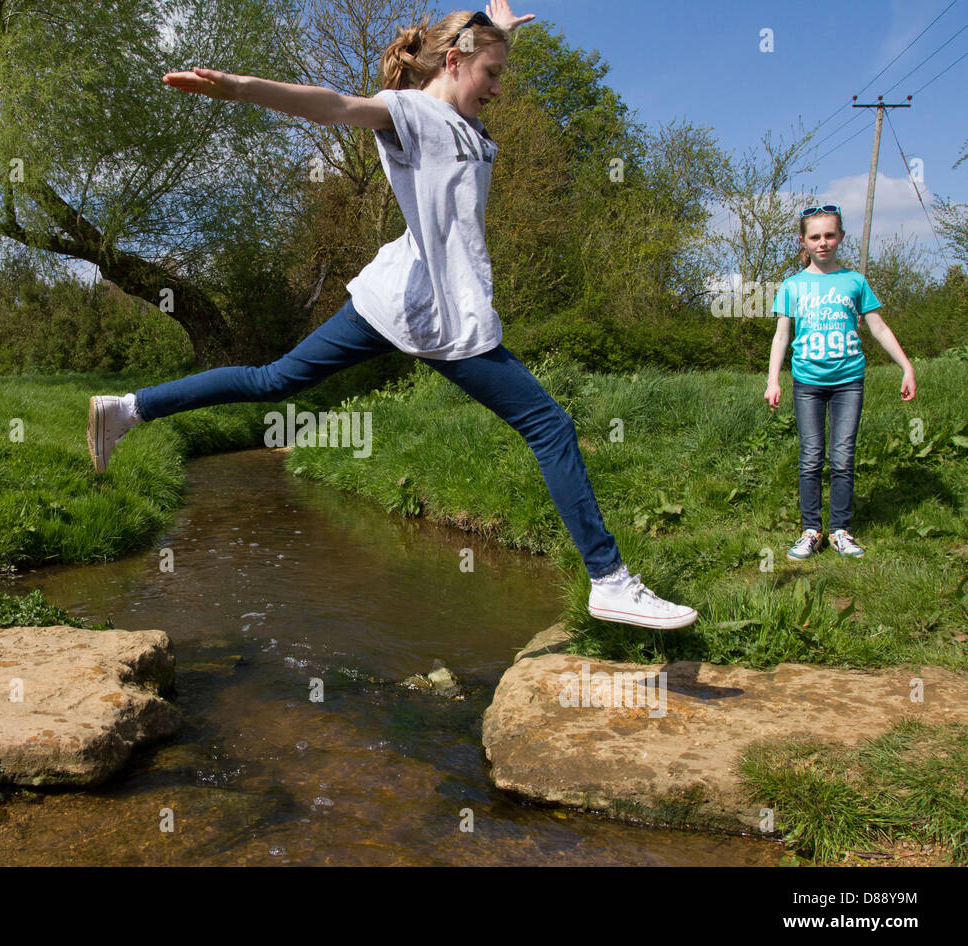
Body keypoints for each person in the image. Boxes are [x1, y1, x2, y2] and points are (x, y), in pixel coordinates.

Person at [89, 3, 697, 629]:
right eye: (491, 73)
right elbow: (332, 105)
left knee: (275, 380)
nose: (496, 88)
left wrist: (501, 34)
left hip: (396, 298)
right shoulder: (415, 112)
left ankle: (126, 408)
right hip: (434, 310)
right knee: (549, 427)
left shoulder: (456, 115)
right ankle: (610, 582)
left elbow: (461, 80)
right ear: (455, 61)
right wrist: (240, 87)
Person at [766, 204, 917, 560]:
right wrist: (774, 380)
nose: (823, 243)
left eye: (830, 235)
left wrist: (907, 367)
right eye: (815, 236)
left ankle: (840, 531)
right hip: (807, 383)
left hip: (850, 381)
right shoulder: (792, 286)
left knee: (843, 457)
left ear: (841, 238)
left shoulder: (855, 281)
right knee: (811, 457)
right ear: (803, 241)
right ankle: (810, 530)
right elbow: (781, 336)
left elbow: (878, 327)